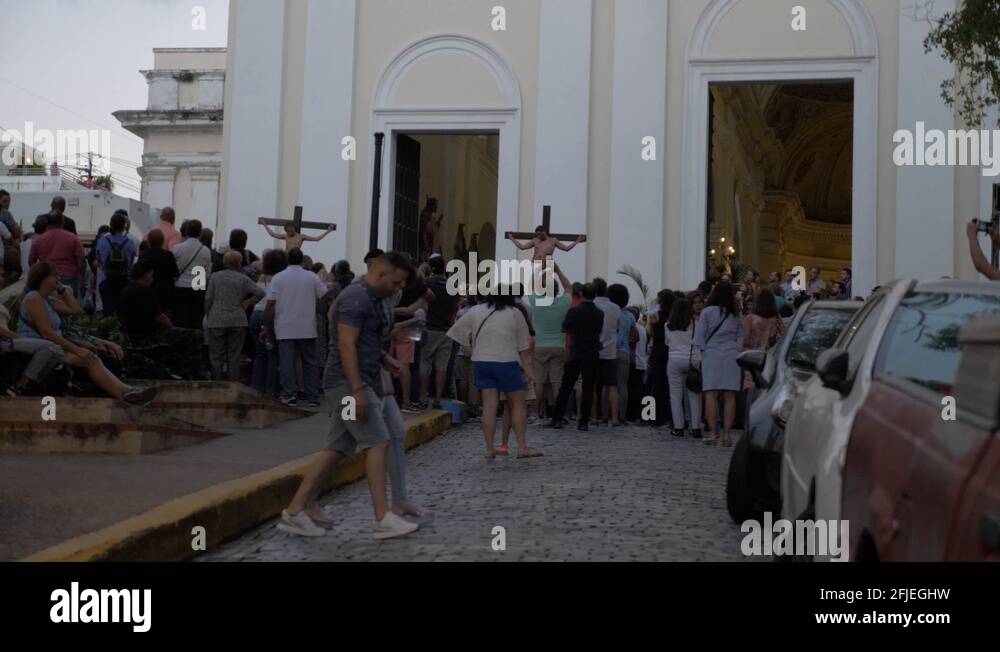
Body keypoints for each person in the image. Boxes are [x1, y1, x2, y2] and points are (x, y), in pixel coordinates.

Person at [277, 254, 420, 540]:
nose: (398, 288)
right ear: (380, 274)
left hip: (357, 380)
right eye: (396, 282)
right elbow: (345, 344)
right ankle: (382, 518)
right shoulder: (356, 299)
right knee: (377, 442)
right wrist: (356, 390)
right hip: (347, 383)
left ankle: (295, 511)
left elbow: (363, 341)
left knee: (336, 449)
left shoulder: (373, 300)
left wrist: (384, 359)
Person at [18, 262, 155, 404]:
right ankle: (126, 393)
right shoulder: (33, 298)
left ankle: (127, 392)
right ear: (44, 278)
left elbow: (76, 310)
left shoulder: (46, 299)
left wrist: (62, 291)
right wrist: (78, 350)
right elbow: (47, 333)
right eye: (55, 275)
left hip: (56, 348)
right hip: (44, 351)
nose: (59, 277)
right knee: (90, 359)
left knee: (92, 358)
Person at [447, 288, 541, 459]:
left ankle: (489, 449)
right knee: (518, 404)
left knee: (489, 406)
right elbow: (523, 347)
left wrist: (472, 351)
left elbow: (457, 332)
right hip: (507, 362)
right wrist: (529, 371)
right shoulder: (515, 313)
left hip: (482, 362)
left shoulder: (476, 311)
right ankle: (522, 447)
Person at [261, 247, 331, 407]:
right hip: (307, 326)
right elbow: (325, 295)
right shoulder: (312, 277)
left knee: (286, 361)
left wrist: (266, 325)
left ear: (288, 260)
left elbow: (271, 304)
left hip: (285, 326)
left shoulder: (278, 278)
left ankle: (289, 394)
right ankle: (312, 396)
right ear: (301, 260)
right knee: (310, 361)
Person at [118, 260, 205, 380]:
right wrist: (173, 328)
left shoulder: (125, 290)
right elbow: (159, 317)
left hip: (131, 336)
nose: (152, 279)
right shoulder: (143, 291)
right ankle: (189, 373)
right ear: (145, 276)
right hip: (149, 336)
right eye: (151, 275)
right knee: (196, 335)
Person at [693, 281, 746, 448]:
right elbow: (740, 336)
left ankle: (713, 434)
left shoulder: (707, 312)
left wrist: (703, 351)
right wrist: (736, 349)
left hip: (712, 353)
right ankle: (727, 435)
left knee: (711, 394)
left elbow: (699, 337)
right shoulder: (734, 313)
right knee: (730, 395)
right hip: (731, 355)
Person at [545, 283, 603, 431]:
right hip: (592, 352)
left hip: (576, 352)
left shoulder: (574, 311)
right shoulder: (599, 313)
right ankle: (584, 421)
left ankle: (557, 418)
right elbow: (599, 329)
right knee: (588, 388)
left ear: (581, 294)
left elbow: (565, 327)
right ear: (595, 295)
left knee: (566, 387)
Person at [205, 251, 265, 381]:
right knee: (235, 355)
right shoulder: (243, 278)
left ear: (224, 262)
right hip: (238, 319)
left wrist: (208, 314)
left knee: (216, 355)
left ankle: (217, 384)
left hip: (217, 318)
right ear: (239, 263)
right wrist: (248, 302)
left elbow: (208, 298)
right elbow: (260, 292)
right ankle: (233, 385)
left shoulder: (215, 277)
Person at [528, 264, 572, 421]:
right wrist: (558, 270)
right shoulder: (563, 302)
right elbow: (569, 288)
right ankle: (560, 413)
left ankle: (535, 412)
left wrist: (540, 270)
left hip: (540, 345)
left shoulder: (536, 302)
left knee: (538, 381)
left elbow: (530, 286)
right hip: (559, 346)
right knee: (556, 381)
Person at [391, 260, 433, 411]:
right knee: (409, 365)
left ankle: (397, 398)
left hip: (395, 327)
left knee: (394, 363)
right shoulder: (420, 291)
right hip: (412, 329)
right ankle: (408, 400)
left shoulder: (394, 285)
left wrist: (391, 310)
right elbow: (414, 309)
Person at [419, 254, 459, 409]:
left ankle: (423, 395)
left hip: (429, 328)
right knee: (441, 366)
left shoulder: (427, 283)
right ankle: (438, 397)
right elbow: (454, 306)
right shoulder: (452, 287)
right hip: (446, 330)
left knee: (425, 362)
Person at [0, 301, 65, 397]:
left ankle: (30, 384)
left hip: (9, 338)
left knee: (57, 353)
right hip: (4, 340)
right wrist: (20, 338)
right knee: (49, 347)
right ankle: (20, 385)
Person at [250, 249, 286, 397]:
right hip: (270, 316)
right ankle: (272, 391)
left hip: (256, 314)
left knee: (260, 354)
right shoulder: (281, 279)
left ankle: (256, 388)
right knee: (273, 355)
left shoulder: (262, 277)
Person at [664, 299, 702, 439]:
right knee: (694, 394)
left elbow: (667, 343)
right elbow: (700, 343)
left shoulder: (668, 325)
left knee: (675, 396)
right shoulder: (696, 324)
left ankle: (678, 427)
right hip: (693, 360)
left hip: (674, 360)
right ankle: (696, 427)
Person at [28, 212, 85, 299]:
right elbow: (81, 259)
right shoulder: (73, 238)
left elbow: (31, 261)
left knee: (49, 306)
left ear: (48, 223)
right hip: (69, 277)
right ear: (62, 222)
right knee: (70, 306)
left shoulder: (39, 240)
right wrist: (81, 276)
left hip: (46, 277)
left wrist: (39, 276)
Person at [171, 219, 213, 329]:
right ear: (200, 233)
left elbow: (173, 268)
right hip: (198, 286)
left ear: (186, 231)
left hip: (180, 286)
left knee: (180, 319)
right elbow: (207, 273)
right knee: (196, 320)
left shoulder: (177, 248)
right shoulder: (205, 250)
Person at [95, 212, 137, 317]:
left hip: (106, 280)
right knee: (123, 312)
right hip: (124, 282)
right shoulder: (130, 243)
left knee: (107, 312)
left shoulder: (102, 241)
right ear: (124, 226)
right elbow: (131, 263)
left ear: (110, 224)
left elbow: (98, 262)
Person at [645, 289, 676, 427]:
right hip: (671, 351)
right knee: (670, 388)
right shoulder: (674, 316)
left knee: (655, 386)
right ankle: (669, 417)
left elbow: (649, 332)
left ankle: (652, 417)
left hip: (657, 352)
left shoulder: (655, 315)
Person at [608, 283, 634, 426]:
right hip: (624, 352)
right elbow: (633, 334)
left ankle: (605, 415)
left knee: (608, 385)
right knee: (623, 385)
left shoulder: (609, 312)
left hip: (609, 351)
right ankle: (622, 415)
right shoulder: (629, 316)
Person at [139, 229, 180, 317]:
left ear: (149, 241)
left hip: (148, 294)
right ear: (162, 241)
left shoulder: (144, 255)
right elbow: (175, 273)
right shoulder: (168, 255)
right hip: (165, 294)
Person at [507, 225, 586, 263]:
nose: (538, 236)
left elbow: (566, 248)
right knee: (536, 287)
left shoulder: (553, 240)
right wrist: (511, 238)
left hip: (547, 264)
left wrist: (577, 241)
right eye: (537, 234)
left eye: (539, 234)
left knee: (547, 287)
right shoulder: (535, 240)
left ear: (544, 232)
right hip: (536, 264)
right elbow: (522, 247)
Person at [258, 218, 336, 252]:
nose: (290, 233)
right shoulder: (285, 236)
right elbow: (273, 234)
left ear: (294, 229)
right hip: (287, 258)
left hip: (296, 258)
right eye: (288, 231)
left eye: (291, 231)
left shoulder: (301, 236)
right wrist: (264, 223)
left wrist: (328, 231)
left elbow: (316, 239)